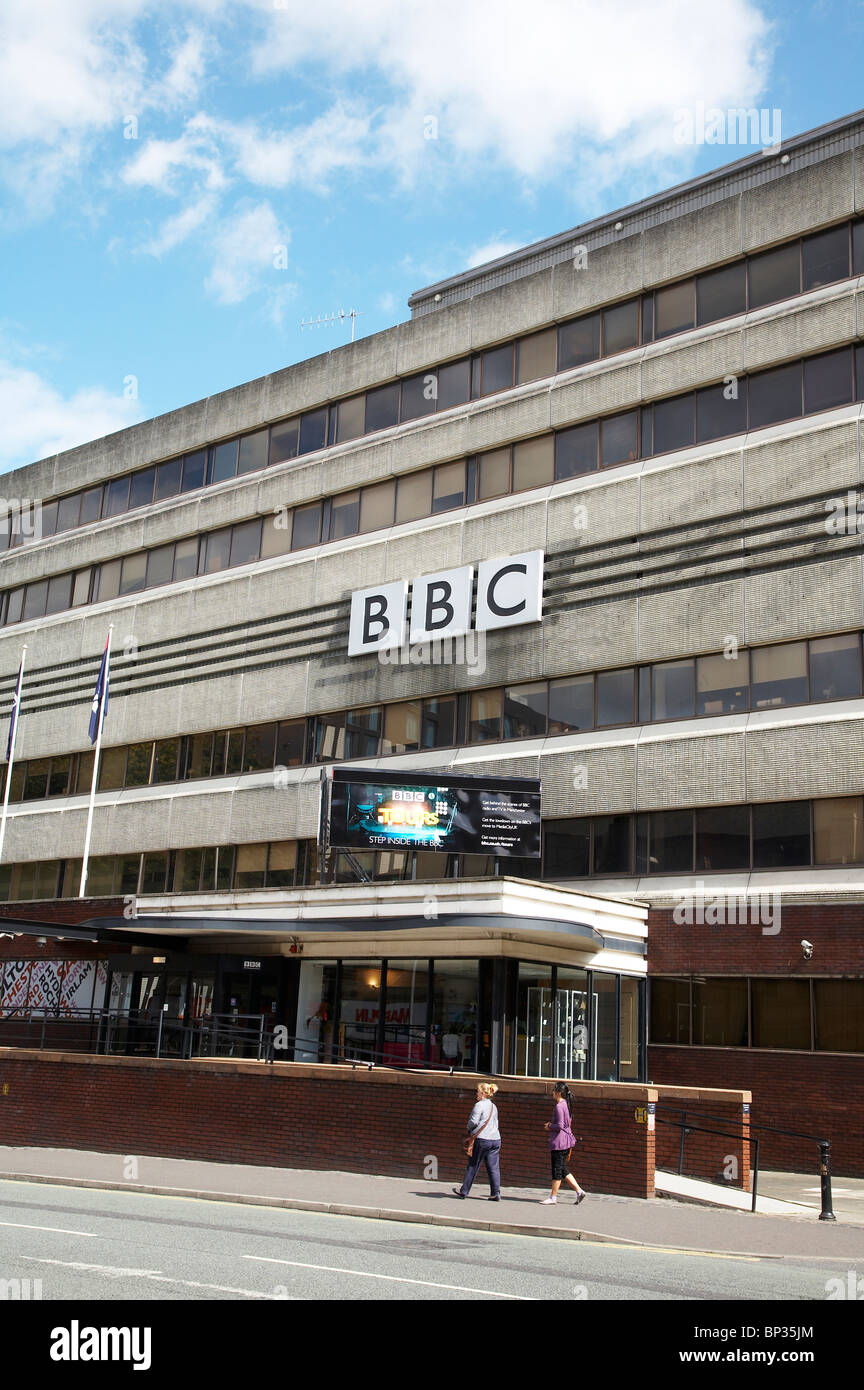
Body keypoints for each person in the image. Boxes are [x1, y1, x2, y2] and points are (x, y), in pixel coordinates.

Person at [453, 1082, 501, 1201]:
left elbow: (474, 1122)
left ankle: (464, 1191)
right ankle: (496, 1193)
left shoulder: (479, 1105)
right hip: (495, 1139)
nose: (476, 1093)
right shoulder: (494, 1106)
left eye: (478, 1092)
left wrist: (469, 1129)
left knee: (473, 1165)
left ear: (483, 1094)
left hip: (482, 1139)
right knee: (493, 1167)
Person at [541, 1081, 586, 1204]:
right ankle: (579, 1191)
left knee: (557, 1170)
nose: (552, 1092)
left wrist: (549, 1126)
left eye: (553, 1090)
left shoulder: (559, 1106)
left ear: (558, 1093)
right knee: (563, 1169)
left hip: (560, 1142)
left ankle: (553, 1197)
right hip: (566, 1141)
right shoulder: (566, 1105)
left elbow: (560, 1125)